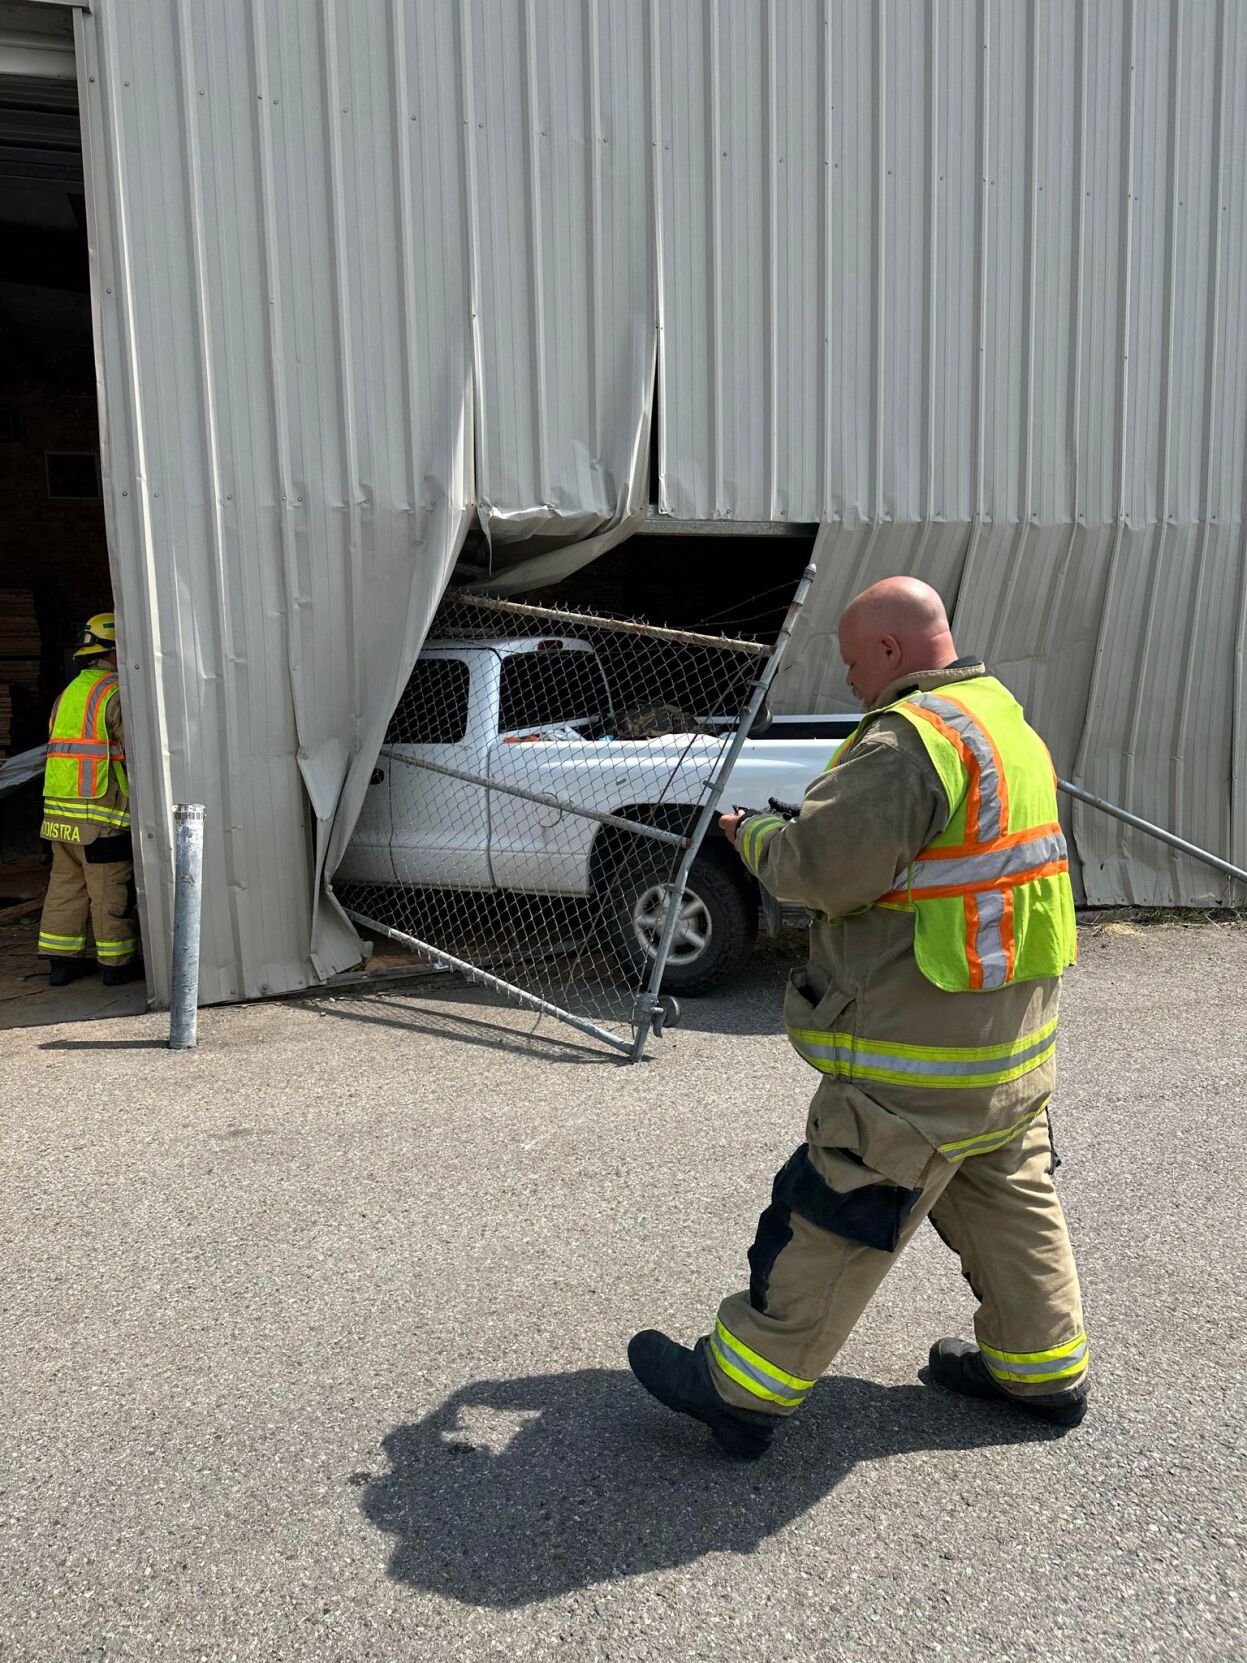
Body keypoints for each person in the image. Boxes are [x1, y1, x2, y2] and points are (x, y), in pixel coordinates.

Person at [628, 576, 1086, 1459]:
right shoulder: (1002, 720)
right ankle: (1041, 1372)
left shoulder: (907, 741)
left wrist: (749, 835)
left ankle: (743, 1388)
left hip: (917, 1054)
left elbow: (818, 869)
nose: (846, 682)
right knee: (1009, 1202)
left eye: (849, 662)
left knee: (844, 1208)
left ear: (888, 650)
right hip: (1009, 1045)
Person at [37, 612, 141, 987]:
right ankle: (117, 964)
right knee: (107, 888)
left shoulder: (69, 693)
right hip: (99, 816)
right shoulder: (114, 693)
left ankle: (61, 963)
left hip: (58, 815)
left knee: (66, 887)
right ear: (113, 652)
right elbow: (137, 752)